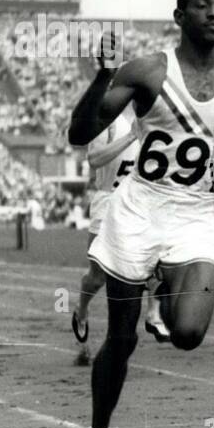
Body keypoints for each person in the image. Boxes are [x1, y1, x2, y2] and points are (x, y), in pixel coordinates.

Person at [67, 0, 214, 428]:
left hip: (197, 216)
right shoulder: (151, 70)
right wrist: (102, 77)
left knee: (189, 334)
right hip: (140, 211)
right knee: (123, 339)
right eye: (203, 6)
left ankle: (163, 288)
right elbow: (79, 133)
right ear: (180, 16)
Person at [69, 104, 165, 365]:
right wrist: (131, 136)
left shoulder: (154, 115)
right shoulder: (108, 118)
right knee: (97, 276)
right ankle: (82, 310)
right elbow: (95, 159)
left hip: (140, 201)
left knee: (159, 258)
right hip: (109, 200)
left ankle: (154, 314)